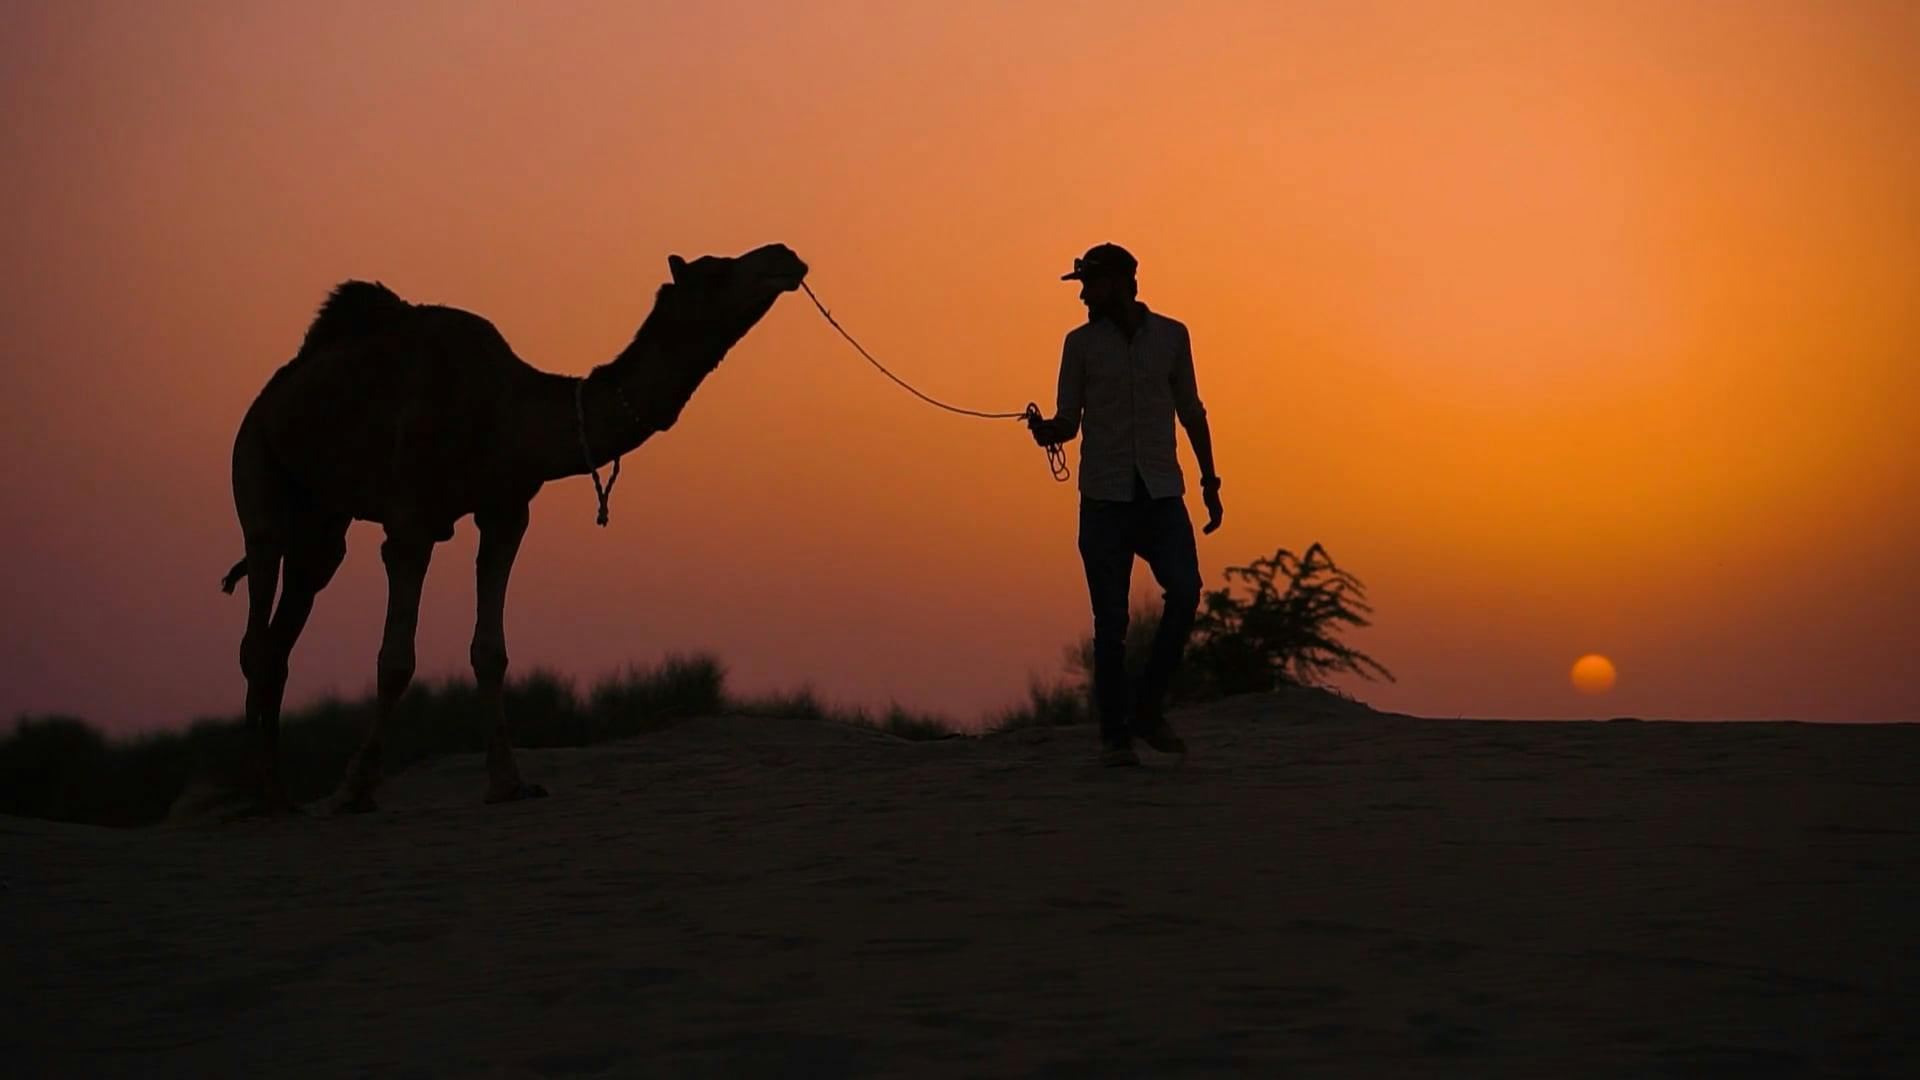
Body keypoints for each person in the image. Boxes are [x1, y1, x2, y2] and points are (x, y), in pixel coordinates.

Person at [1027, 243, 1223, 767]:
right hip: (1104, 498)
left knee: (1185, 594)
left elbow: (1191, 411)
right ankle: (1116, 737)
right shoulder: (1079, 345)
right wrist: (1049, 432)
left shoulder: (1173, 337)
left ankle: (1148, 710)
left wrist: (1209, 479)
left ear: (1120, 283)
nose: (1085, 295)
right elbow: (1069, 417)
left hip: (1161, 494)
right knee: (1109, 623)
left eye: (1091, 284)